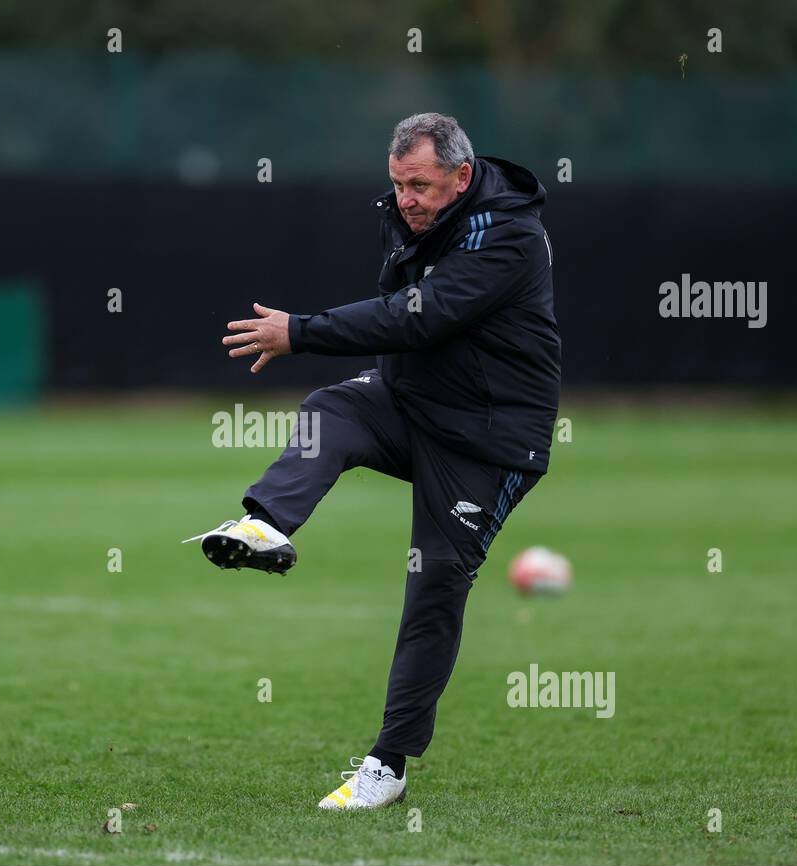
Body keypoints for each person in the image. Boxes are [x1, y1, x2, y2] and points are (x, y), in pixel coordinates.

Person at [184, 112, 562, 809]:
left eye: (420, 185)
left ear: (462, 176)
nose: (406, 199)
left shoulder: (507, 235)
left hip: (490, 439)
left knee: (436, 587)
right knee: (335, 408)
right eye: (397, 184)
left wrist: (300, 331)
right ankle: (268, 523)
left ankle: (387, 766)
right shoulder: (411, 215)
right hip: (414, 400)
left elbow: (421, 314)